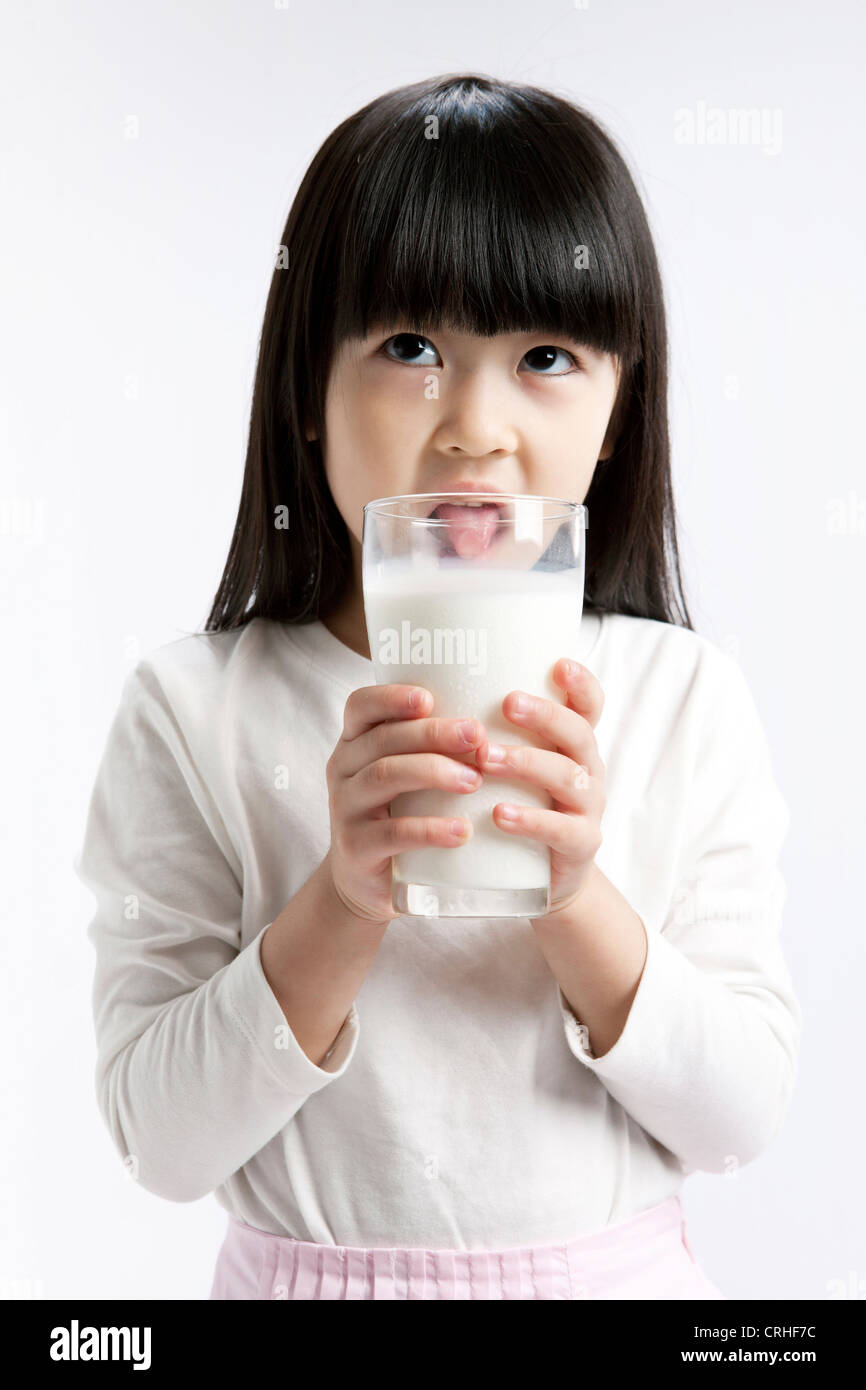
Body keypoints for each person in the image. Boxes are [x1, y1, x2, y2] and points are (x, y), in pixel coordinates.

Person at [74, 73, 801, 1300]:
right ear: (308, 390)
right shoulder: (194, 711)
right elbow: (160, 1142)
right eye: (410, 346)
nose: (474, 425)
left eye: (546, 355)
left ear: (619, 411)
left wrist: (572, 895)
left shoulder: (680, 698)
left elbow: (737, 1119)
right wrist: (345, 899)